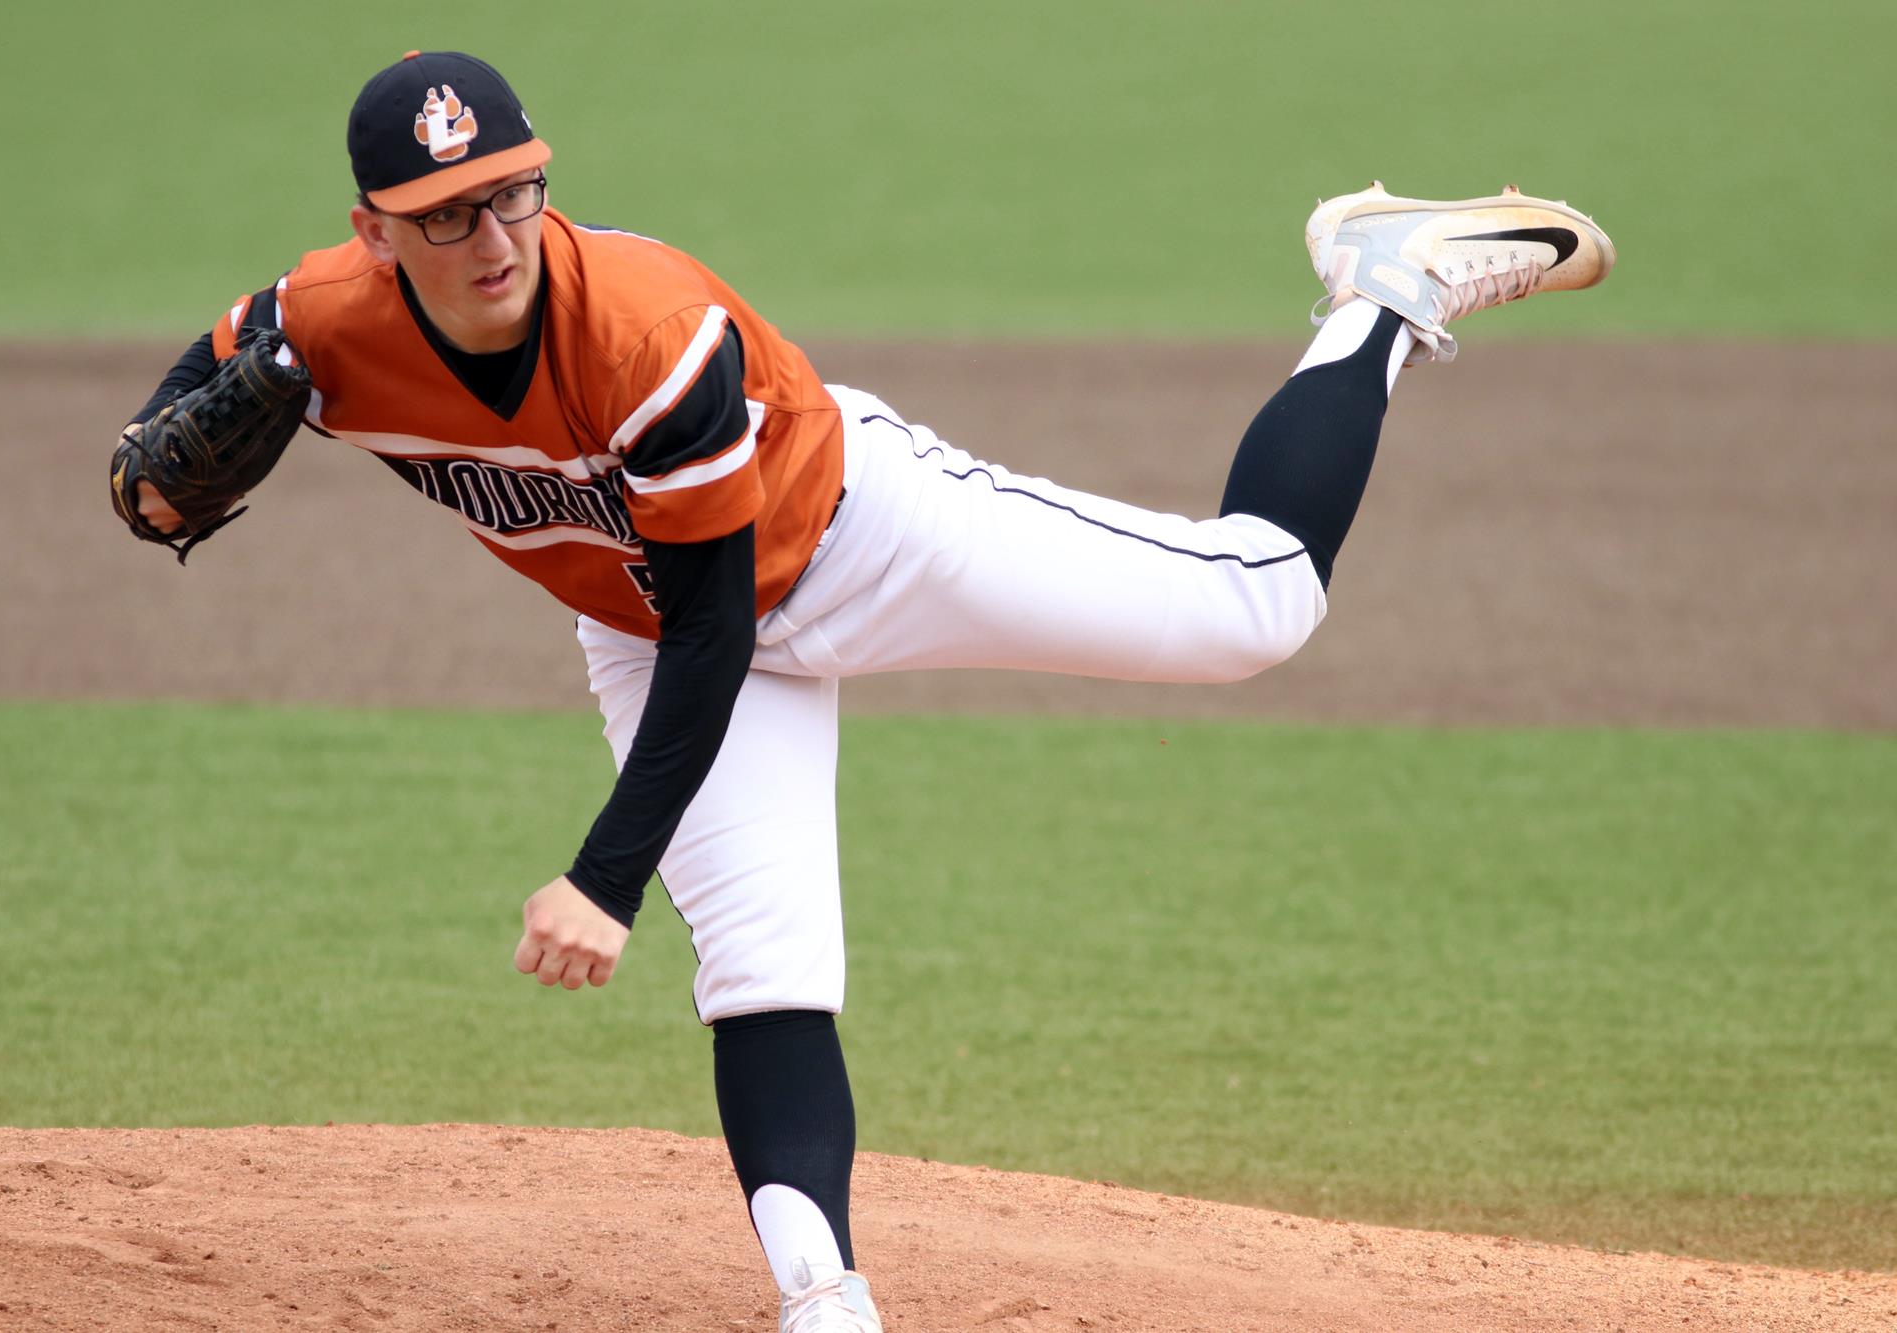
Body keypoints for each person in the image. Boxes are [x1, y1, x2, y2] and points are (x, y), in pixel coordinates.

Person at [113, 49, 1612, 1331]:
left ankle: (1381, 290)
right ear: (376, 230)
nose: (492, 232)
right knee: (763, 965)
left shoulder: (646, 332)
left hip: (856, 535)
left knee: (1257, 605)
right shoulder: (327, 319)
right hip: (655, 631)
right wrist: (151, 494)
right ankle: (828, 1299)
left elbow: (716, 632)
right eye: (444, 213)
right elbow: (176, 421)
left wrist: (603, 877)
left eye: (512, 189)